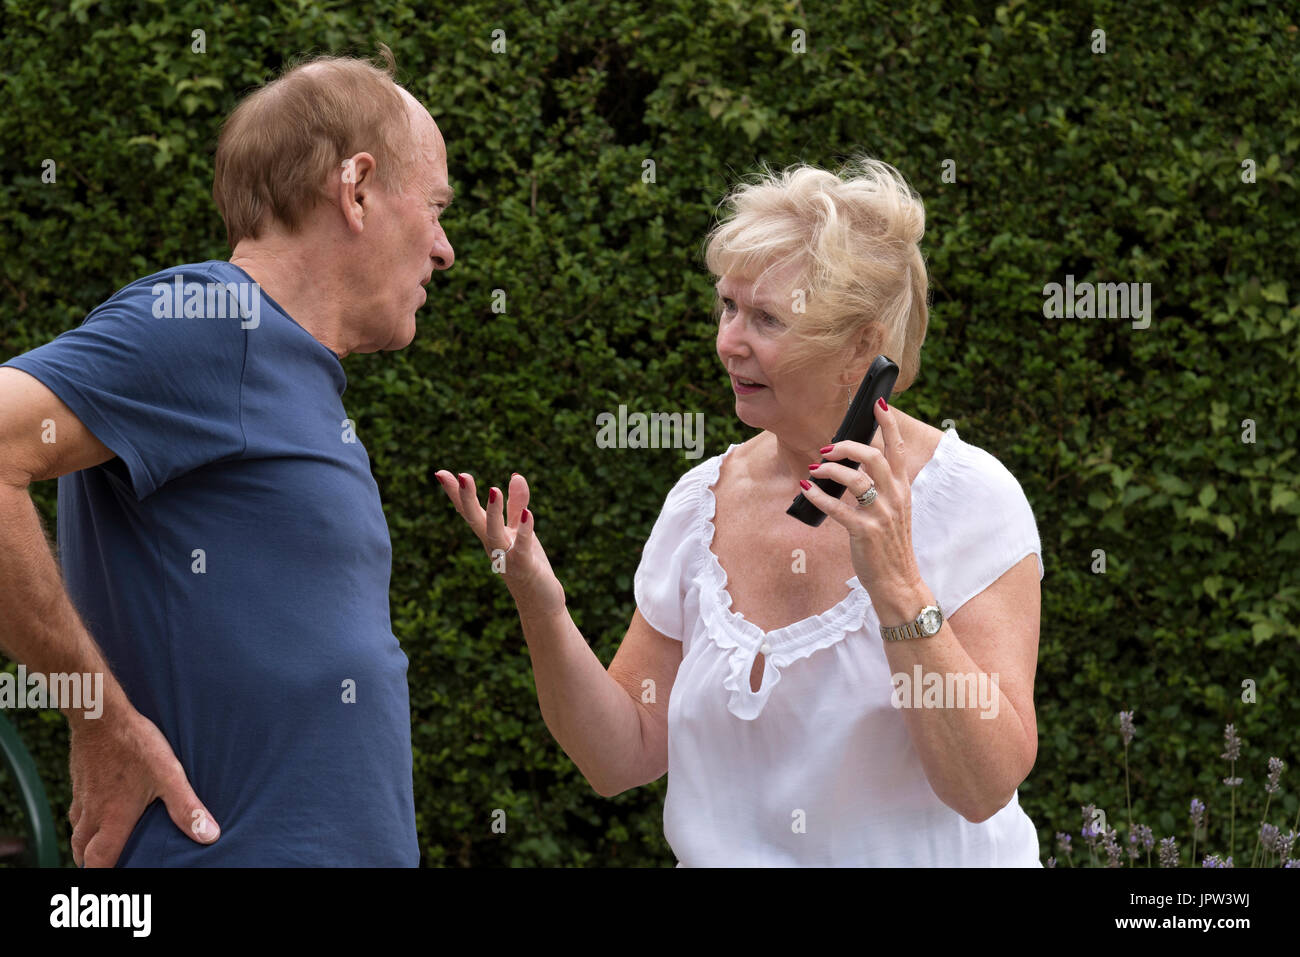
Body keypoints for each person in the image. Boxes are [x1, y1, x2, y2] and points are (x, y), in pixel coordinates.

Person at [437, 156, 1044, 866]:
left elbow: (984, 786)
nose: (729, 340)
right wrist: (542, 607)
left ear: (862, 347)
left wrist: (900, 587)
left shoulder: (971, 500)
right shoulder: (699, 503)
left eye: (767, 318)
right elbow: (623, 753)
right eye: (728, 306)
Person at [0, 47, 454, 865]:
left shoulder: (286, 367)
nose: (445, 248)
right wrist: (99, 719)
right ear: (355, 189)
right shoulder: (211, 319)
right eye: (435, 205)